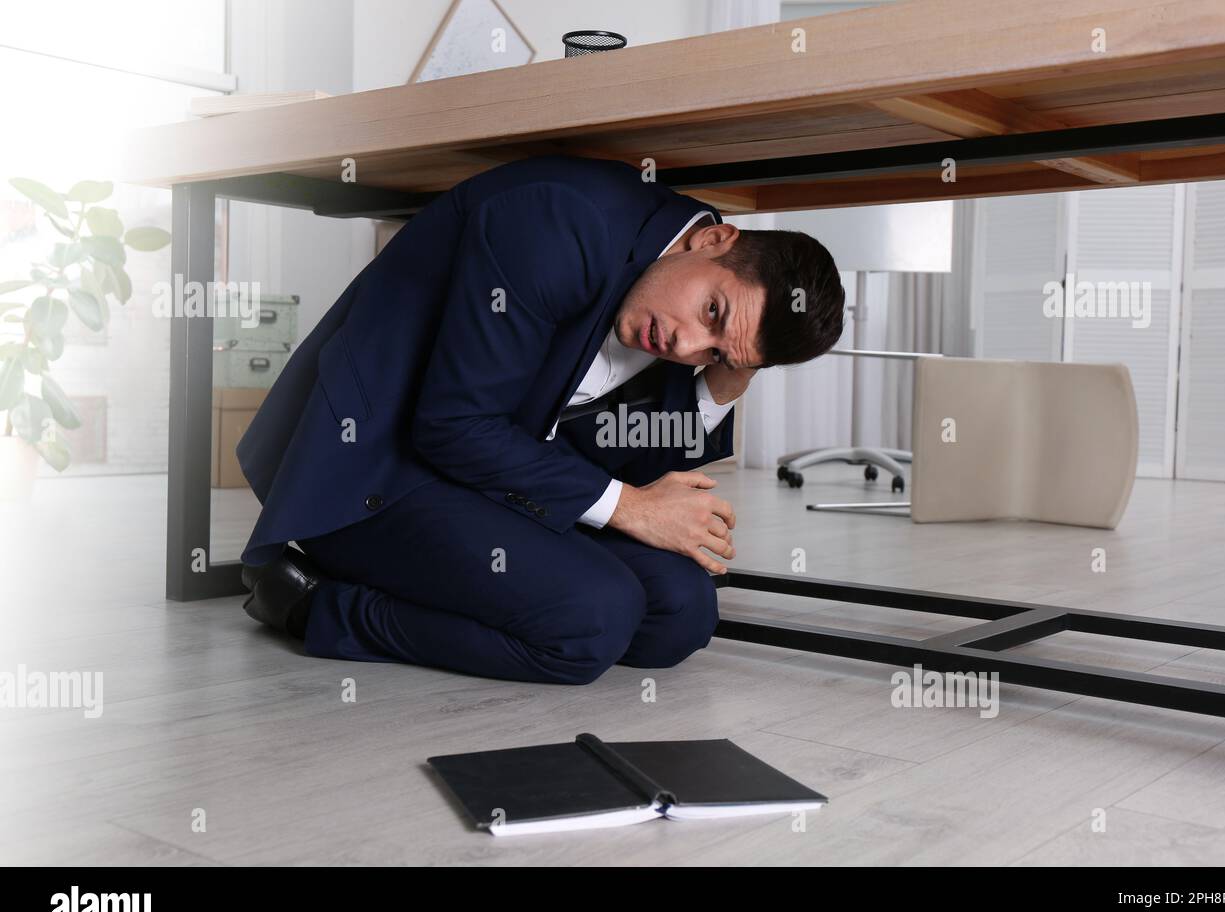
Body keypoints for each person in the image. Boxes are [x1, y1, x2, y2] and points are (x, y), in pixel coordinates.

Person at [237, 155, 844, 684]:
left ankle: (498, 595)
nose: (687, 347)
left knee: (681, 612)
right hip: (380, 465)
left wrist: (731, 371)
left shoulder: (669, 295)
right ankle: (317, 605)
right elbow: (454, 425)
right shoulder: (566, 221)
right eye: (713, 312)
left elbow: (617, 452)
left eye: (712, 350)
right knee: (592, 620)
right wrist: (632, 509)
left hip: (490, 477)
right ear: (714, 241)